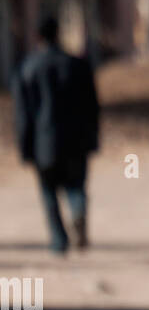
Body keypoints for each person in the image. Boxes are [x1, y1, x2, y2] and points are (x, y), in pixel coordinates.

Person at [12, 14, 100, 254]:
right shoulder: (78, 65)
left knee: (49, 192)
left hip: (44, 142)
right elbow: (92, 106)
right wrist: (93, 139)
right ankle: (78, 210)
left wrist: (24, 147)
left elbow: (23, 114)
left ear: (38, 36)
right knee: (76, 186)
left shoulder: (27, 68)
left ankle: (59, 241)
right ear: (58, 34)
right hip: (77, 140)